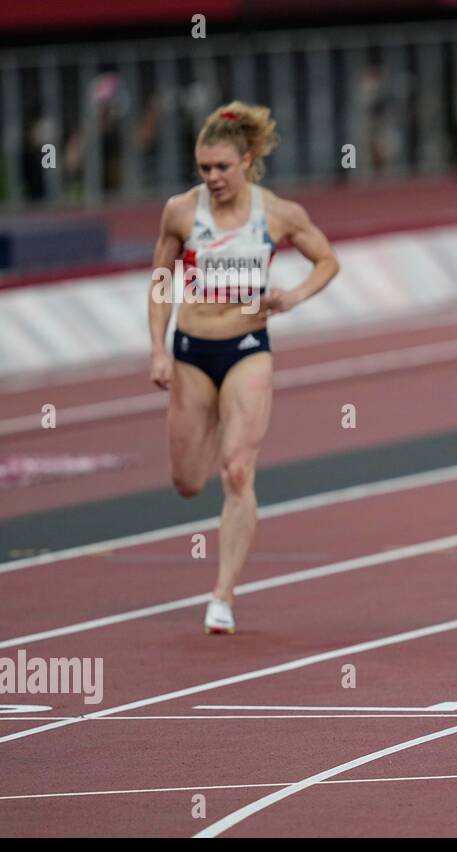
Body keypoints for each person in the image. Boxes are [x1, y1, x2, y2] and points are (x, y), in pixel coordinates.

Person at [147, 102, 339, 633]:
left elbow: (328, 259)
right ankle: (206, 428)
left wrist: (293, 296)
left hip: (248, 348)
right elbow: (161, 280)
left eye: (221, 168)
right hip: (191, 350)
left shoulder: (276, 213)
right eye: (204, 168)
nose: (212, 178)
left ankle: (222, 595)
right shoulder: (181, 213)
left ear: (246, 161)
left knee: (237, 469)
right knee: (188, 481)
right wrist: (158, 349)